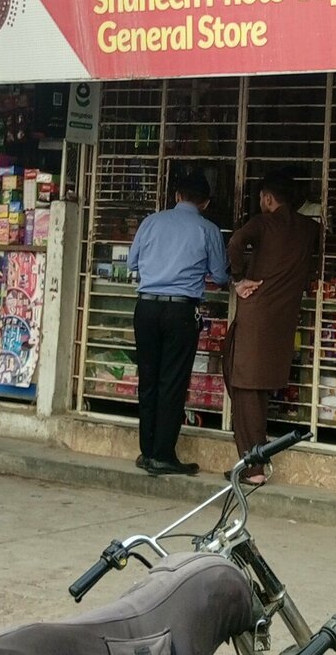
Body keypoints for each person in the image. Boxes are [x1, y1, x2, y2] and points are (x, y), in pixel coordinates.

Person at [129, 171, 229, 476]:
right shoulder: (208, 229)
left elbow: (132, 263)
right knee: (172, 382)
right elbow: (220, 276)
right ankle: (163, 455)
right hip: (180, 312)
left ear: (176, 196)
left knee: (148, 380)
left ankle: (147, 452)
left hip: (146, 307)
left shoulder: (150, 222)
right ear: (206, 202)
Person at [223, 171, 319, 484]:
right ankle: (255, 459)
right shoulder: (309, 228)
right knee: (258, 390)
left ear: (267, 198)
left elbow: (235, 242)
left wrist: (239, 279)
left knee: (244, 389)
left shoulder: (263, 223)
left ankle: (253, 470)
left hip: (255, 318)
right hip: (283, 321)